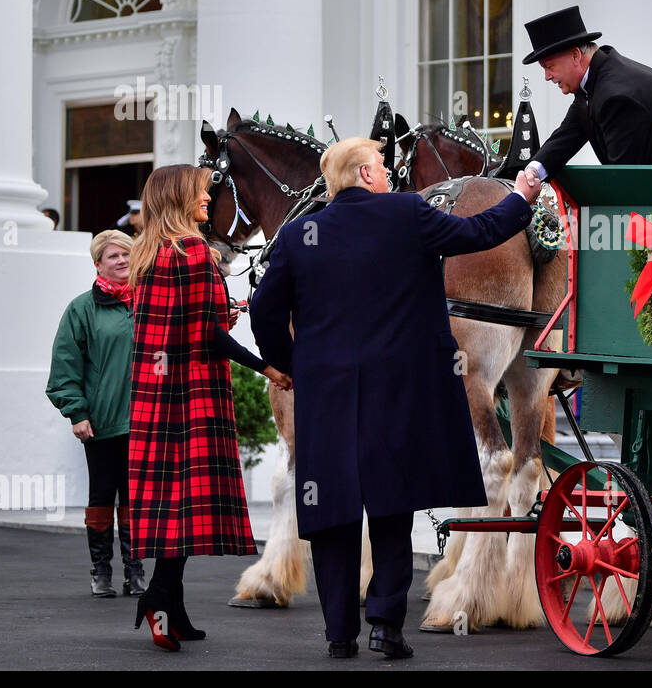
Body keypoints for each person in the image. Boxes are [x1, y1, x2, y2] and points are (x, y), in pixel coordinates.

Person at [250, 137, 542, 659]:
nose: (389, 173)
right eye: (382, 166)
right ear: (363, 174)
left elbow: (264, 310)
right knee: (391, 508)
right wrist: (520, 194)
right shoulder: (409, 213)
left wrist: (287, 364)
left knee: (333, 515)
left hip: (327, 397)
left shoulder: (299, 235)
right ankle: (386, 625)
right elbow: (481, 231)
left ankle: (340, 634)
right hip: (400, 394)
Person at [127, 165, 291, 652]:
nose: (208, 200)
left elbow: (178, 322)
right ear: (179, 198)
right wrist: (267, 368)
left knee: (170, 502)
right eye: (201, 193)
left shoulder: (149, 252)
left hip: (155, 392)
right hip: (193, 391)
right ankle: (159, 599)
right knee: (186, 503)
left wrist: (221, 308)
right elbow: (207, 335)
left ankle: (169, 605)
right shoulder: (194, 251)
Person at [46, 229, 146, 598]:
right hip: (102, 423)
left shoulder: (150, 302)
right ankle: (101, 570)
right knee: (102, 495)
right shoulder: (82, 309)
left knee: (136, 498)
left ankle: (135, 571)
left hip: (146, 421)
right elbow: (65, 367)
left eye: (126, 254)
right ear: (98, 265)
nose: (121, 261)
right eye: (112, 256)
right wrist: (77, 413)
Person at [521, 5, 652, 182]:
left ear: (575, 56)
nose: (546, 77)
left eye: (549, 67)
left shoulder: (615, 96)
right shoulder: (596, 82)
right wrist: (533, 172)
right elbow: (567, 136)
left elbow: (624, 179)